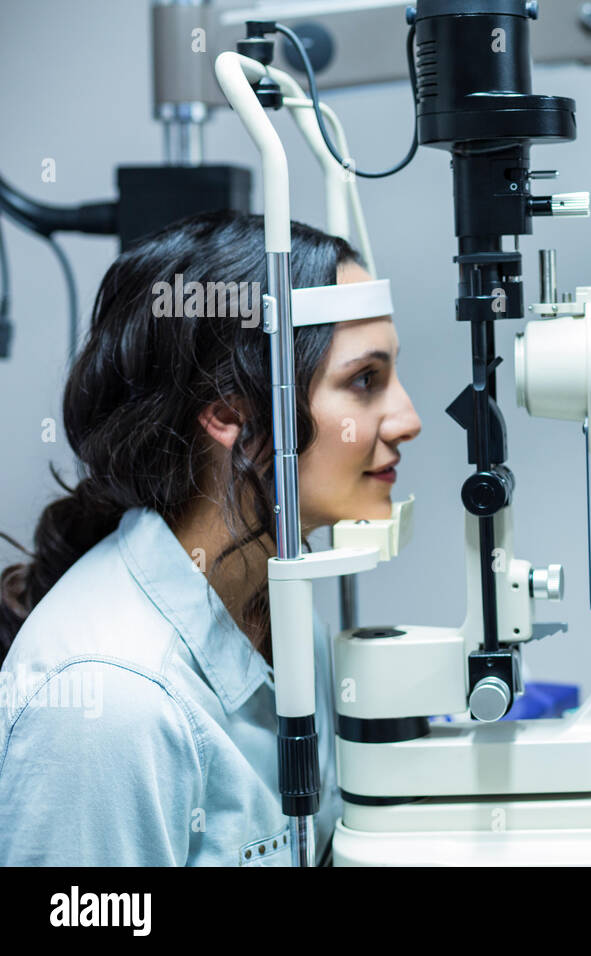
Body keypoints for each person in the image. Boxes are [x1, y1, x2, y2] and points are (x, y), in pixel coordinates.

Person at [0, 210, 422, 865]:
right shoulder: (112, 703)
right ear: (230, 410)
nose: (408, 419)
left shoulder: (276, 606)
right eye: (364, 380)